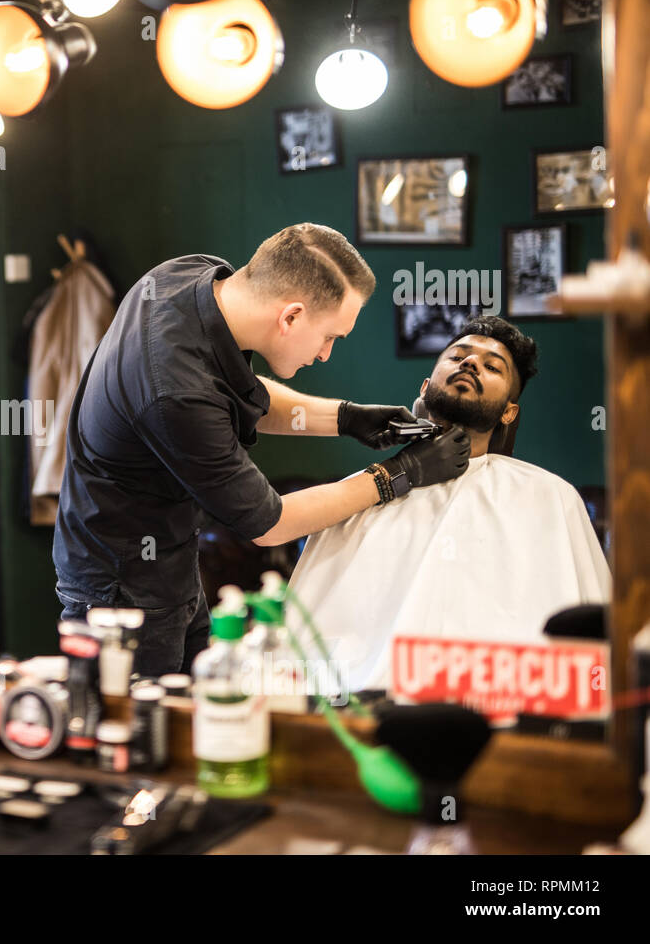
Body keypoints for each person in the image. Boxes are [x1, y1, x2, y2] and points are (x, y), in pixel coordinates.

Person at [53, 223, 472, 676]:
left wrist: (346, 418)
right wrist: (397, 475)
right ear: (290, 316)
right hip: (123, 593)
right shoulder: (175, 393)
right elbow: (271, 523)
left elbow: (236, 395)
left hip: (168, 561)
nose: (327, 354)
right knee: (145, 737)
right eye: (330, 336)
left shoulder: (188, 275)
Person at [286, 316, 611, 693]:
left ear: (509, 411)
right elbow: (300, 636)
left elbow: (597, 655)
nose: (470, 364)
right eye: (458, 357)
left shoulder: (552, 498)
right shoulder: (359, 493)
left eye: (492, 367)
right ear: (425, 388)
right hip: (362, 705)